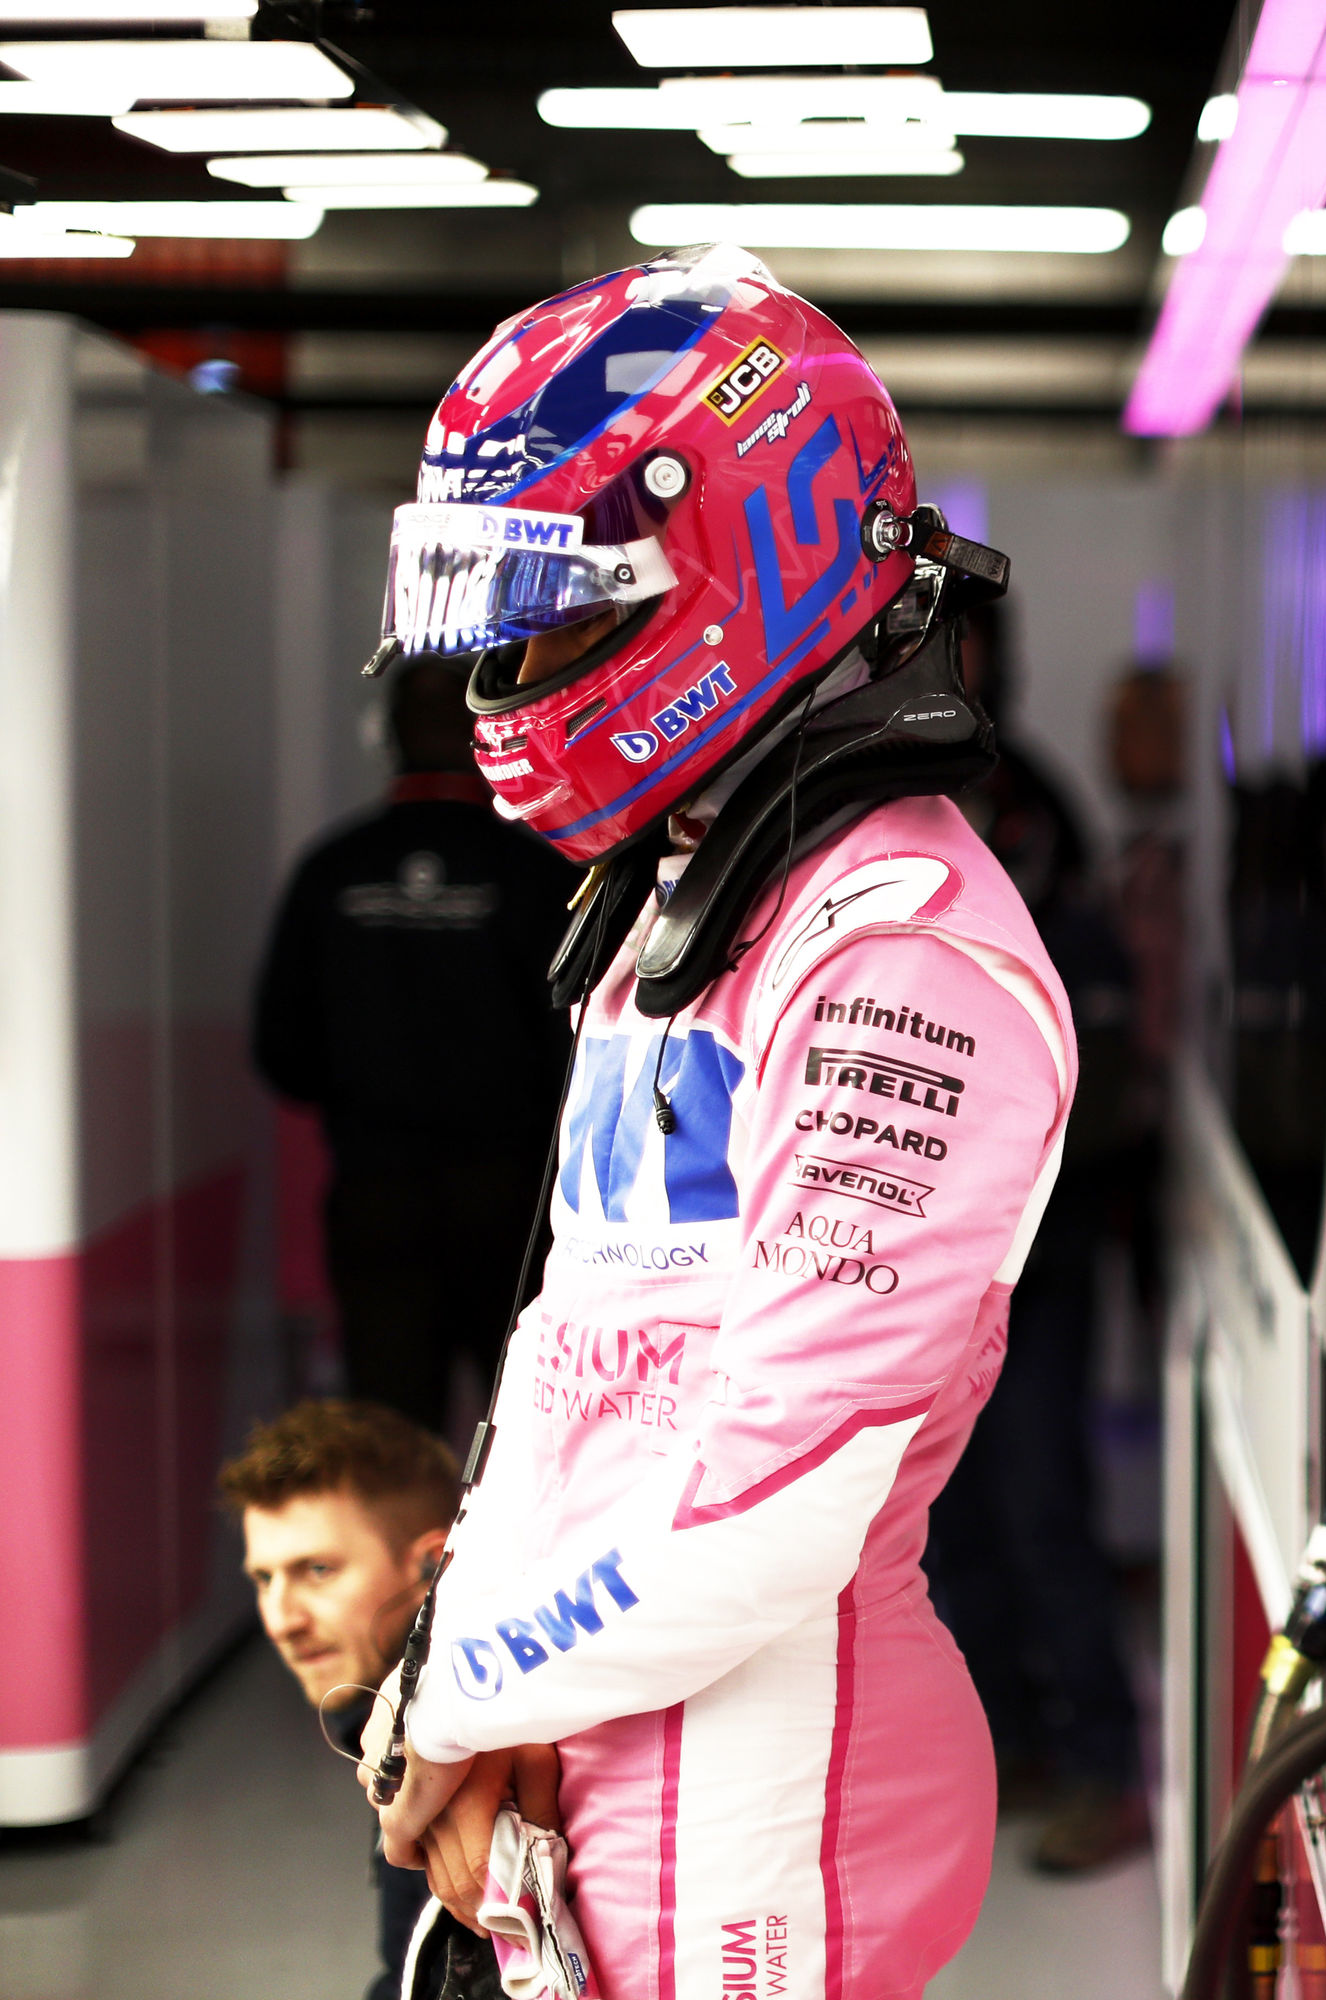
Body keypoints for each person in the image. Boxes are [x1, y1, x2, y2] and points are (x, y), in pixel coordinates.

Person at [356, 243, 1074, 2000]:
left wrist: (450, 1698)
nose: (515, 667)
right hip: (588, 1740)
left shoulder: (901, 949)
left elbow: (781, 1499)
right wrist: (457, 1674)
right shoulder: (688, 897)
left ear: (742, 565)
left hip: (766, 1802)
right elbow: (577, 1358)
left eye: (560, 610)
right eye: (499, 619)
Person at [927, 598, 1149, 1874]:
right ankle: (1008, 1742)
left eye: (960, 646)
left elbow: (1088, 1037)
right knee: (954, 1518)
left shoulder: (1030, 810)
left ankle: (1108, 1764)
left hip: (1032, 1244)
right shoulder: (880, 799)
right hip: (929, 1252)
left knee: (1043, 1504)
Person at [253, 660, 580, 1433]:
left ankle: (404, 1558)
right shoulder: (542, 872)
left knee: (392, 1436)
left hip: (378, 1197)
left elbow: (280, 1052)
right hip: (515, 1206)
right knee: (526, 1432)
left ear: (386, 733)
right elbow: (582, 1054)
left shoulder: (332, 869)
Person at [218, 1400, 463, 2000]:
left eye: (319, 1570)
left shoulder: (458, 1749)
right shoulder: (388, 1724)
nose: (281, 1621)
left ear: (433, 1565)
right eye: (264, 1579)